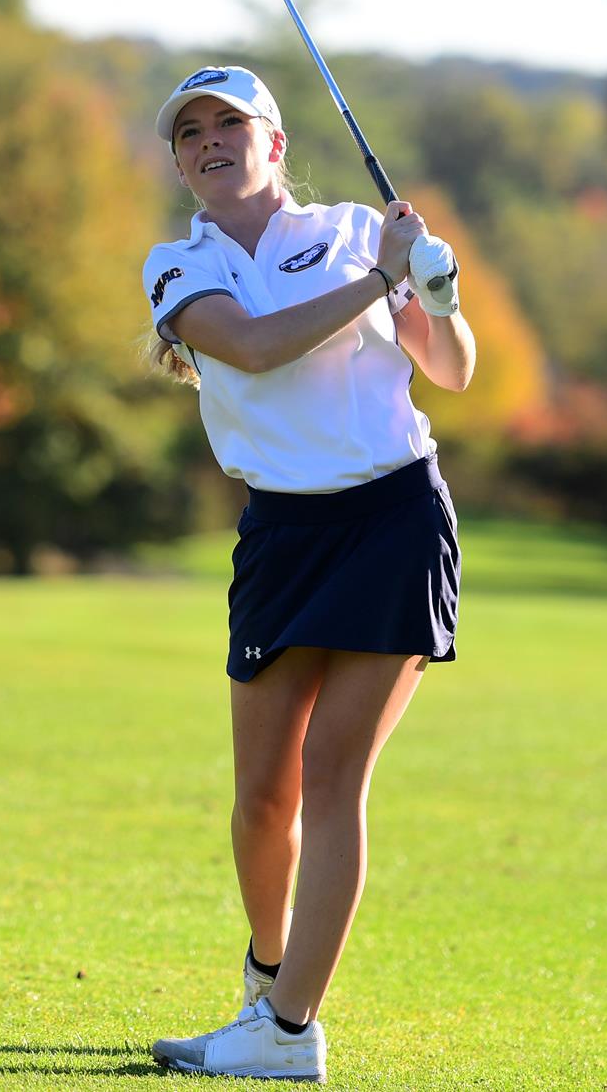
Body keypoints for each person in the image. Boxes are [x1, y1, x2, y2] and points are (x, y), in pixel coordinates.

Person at [140, 65, 475, 1082]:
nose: (206, 141)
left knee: (332, 777)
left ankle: (286, 1033)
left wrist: (437, 292)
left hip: (391, 516)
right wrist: (381, 278)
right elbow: (246, 349)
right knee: (261, 800)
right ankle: (267, 973)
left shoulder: (347, 231)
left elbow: (452, 370)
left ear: (274, 143)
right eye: (186, 131)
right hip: (281, 535)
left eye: (228, 123)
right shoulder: (173, 265)